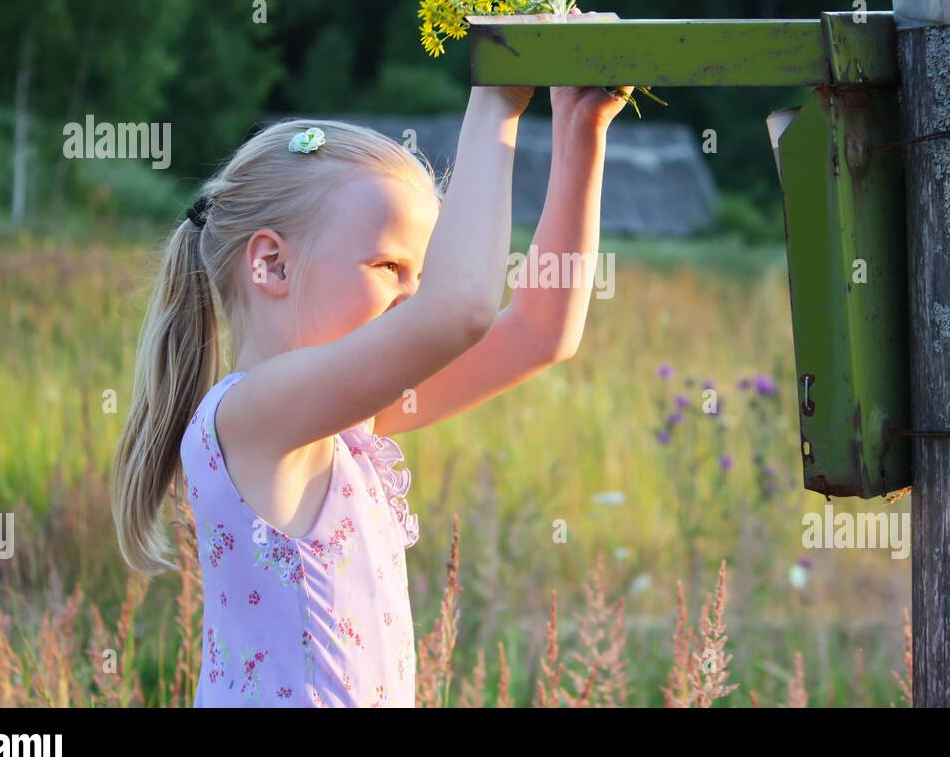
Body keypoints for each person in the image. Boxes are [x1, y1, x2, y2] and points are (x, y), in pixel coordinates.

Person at [110, 80, 631, 706]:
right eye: (389, 268)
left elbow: (539, 331)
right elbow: (457, 312)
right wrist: (496, 100)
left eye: (422, 272)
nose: (413, 297)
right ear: (271, 264)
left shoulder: (346, 427)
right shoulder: (251, 417)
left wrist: (581, 128)